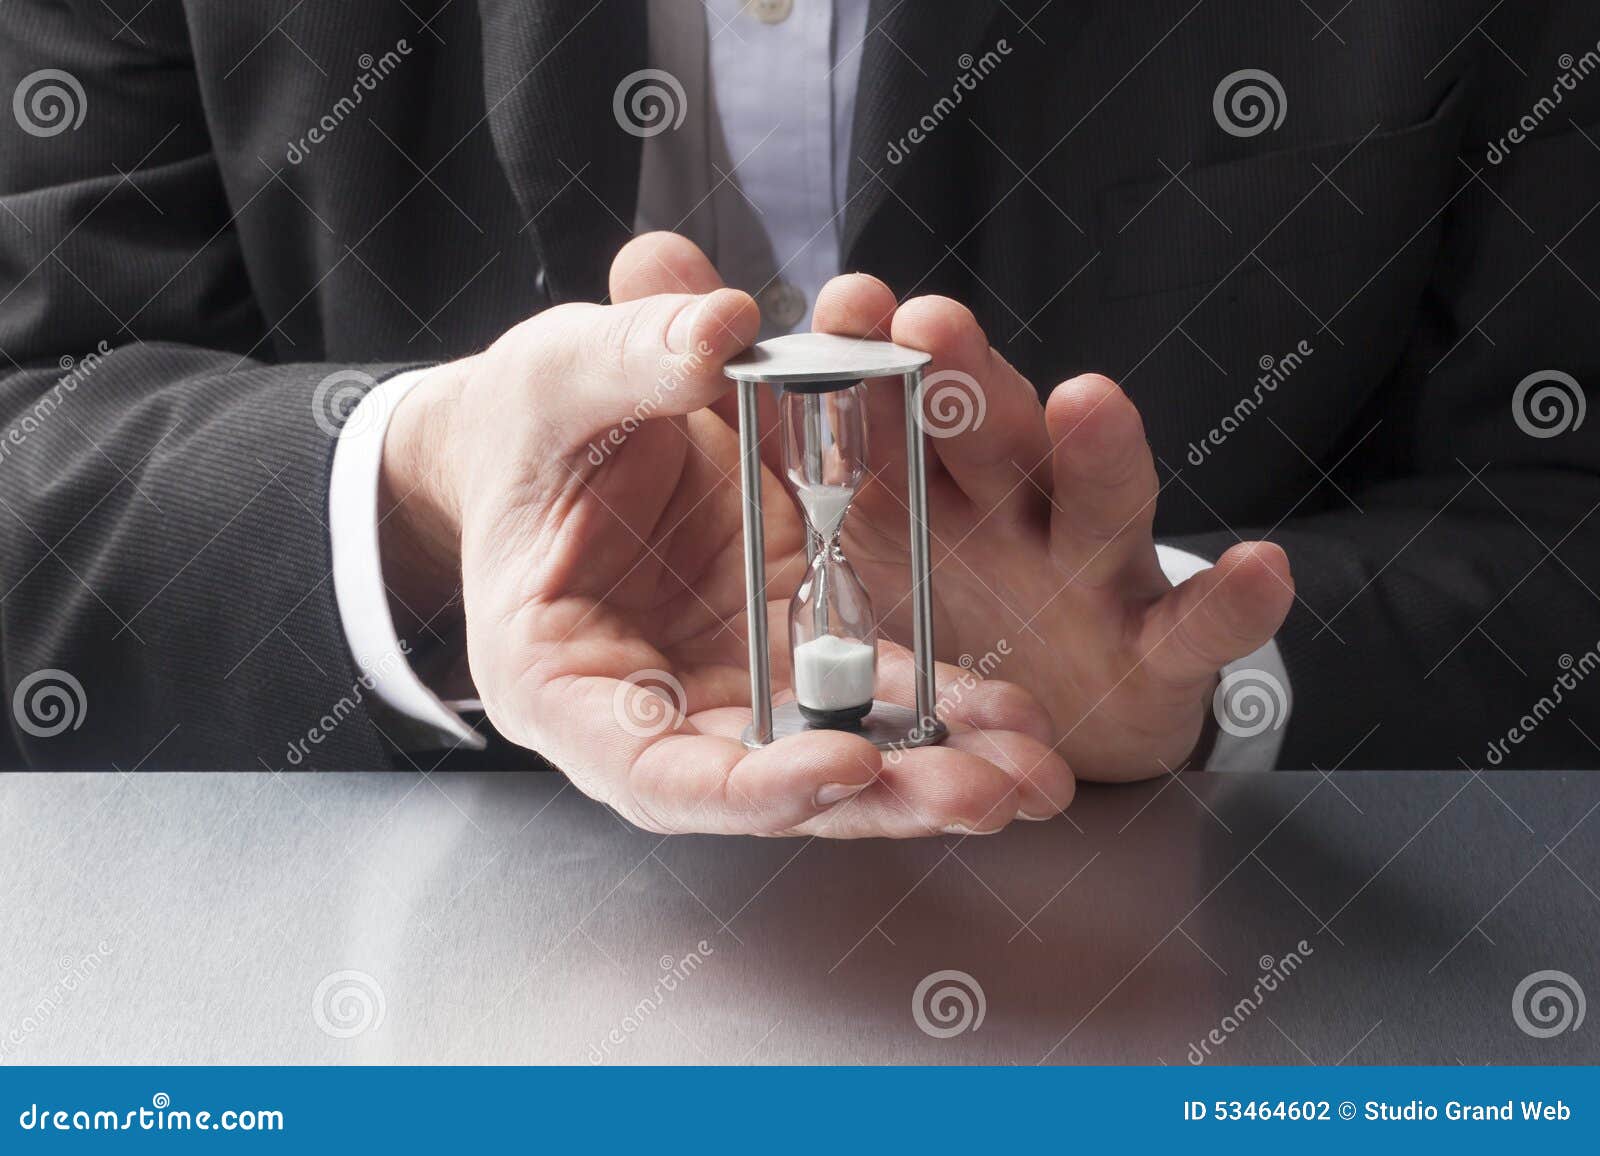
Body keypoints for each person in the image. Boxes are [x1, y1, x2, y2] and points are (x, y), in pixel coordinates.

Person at [1, 1, 1596, 834]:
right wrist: (423, 483)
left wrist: (1200, 675)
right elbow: (38, 423)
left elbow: (1560, 513)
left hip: (1206, 968)